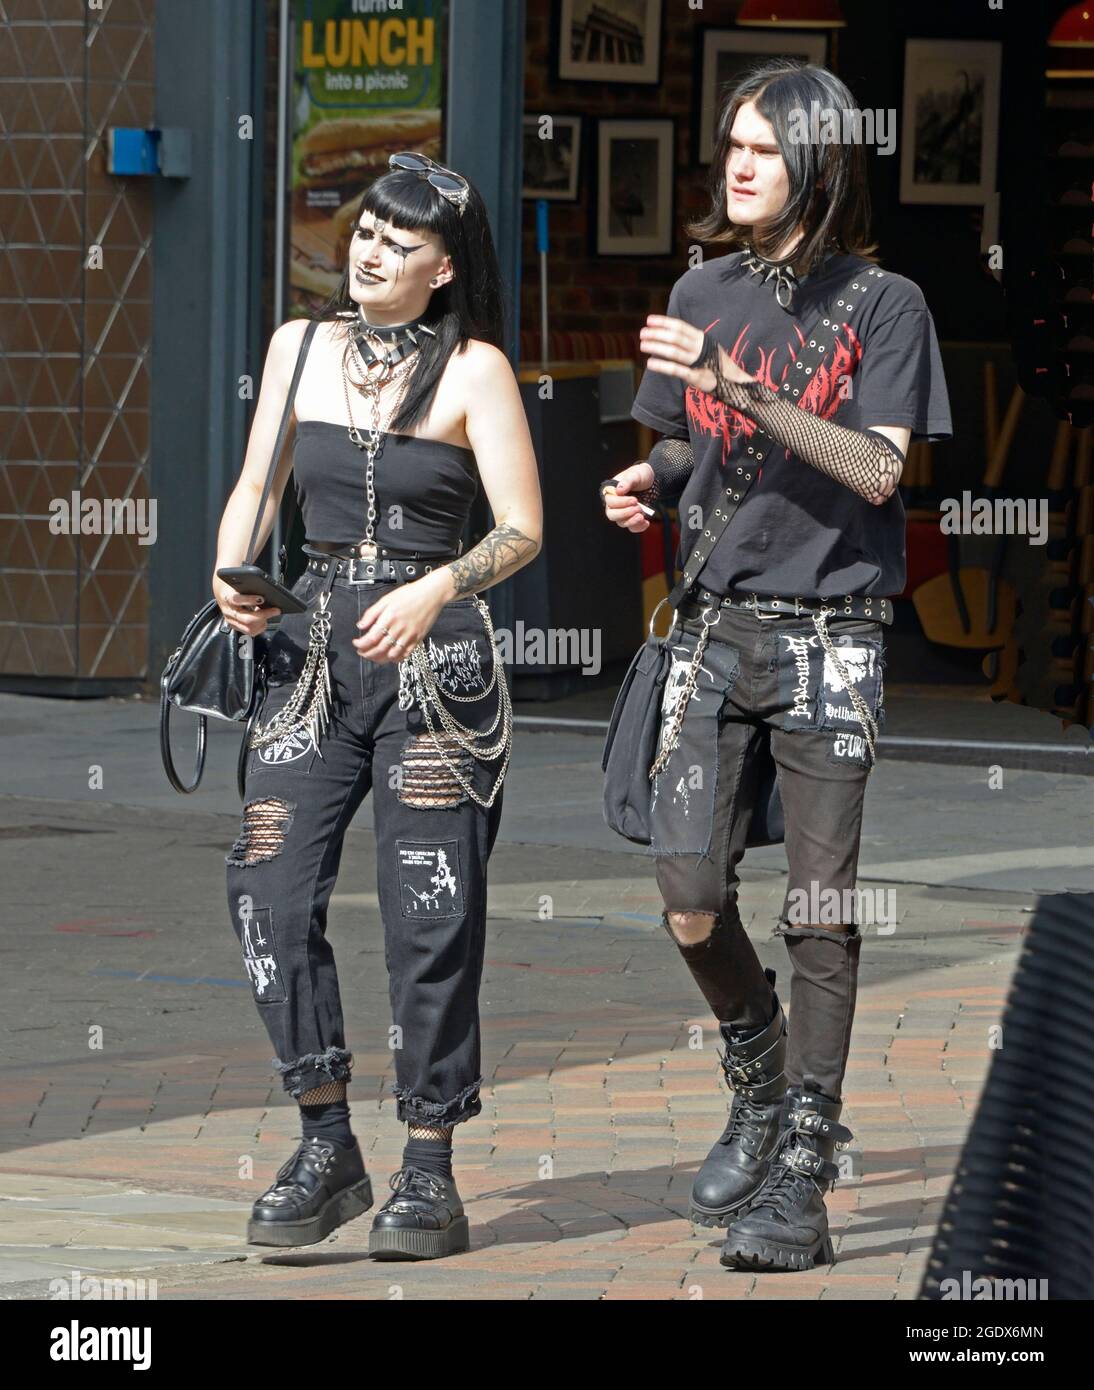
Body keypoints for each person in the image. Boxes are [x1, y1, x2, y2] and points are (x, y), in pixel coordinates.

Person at [602, 61, 952, 1271]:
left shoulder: (885, 303)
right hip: (710, 632)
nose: (734, 165)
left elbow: (875, 470)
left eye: (760, 148)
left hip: (830, 642)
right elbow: (684, 445)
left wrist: (739, 388)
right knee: (687, 894)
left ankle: (802, 1161)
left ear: (817, 160)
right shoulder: (699, 285)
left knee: (820, 906)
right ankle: (755, 1067)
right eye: (729, 146)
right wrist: (649, 479)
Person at [213, 153, 542, 1260]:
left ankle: (428, 1166)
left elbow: (519, 530)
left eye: (398, 242)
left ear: (442, 267)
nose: (368, 251)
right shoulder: (296, 346)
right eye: (363, 231)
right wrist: (230, 574)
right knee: (266, 887)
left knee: (429, 916)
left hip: (434, 666)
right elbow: (258, 487)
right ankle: (324, 1138)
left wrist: (436, 585)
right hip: (309, 649)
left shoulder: (478, 370)